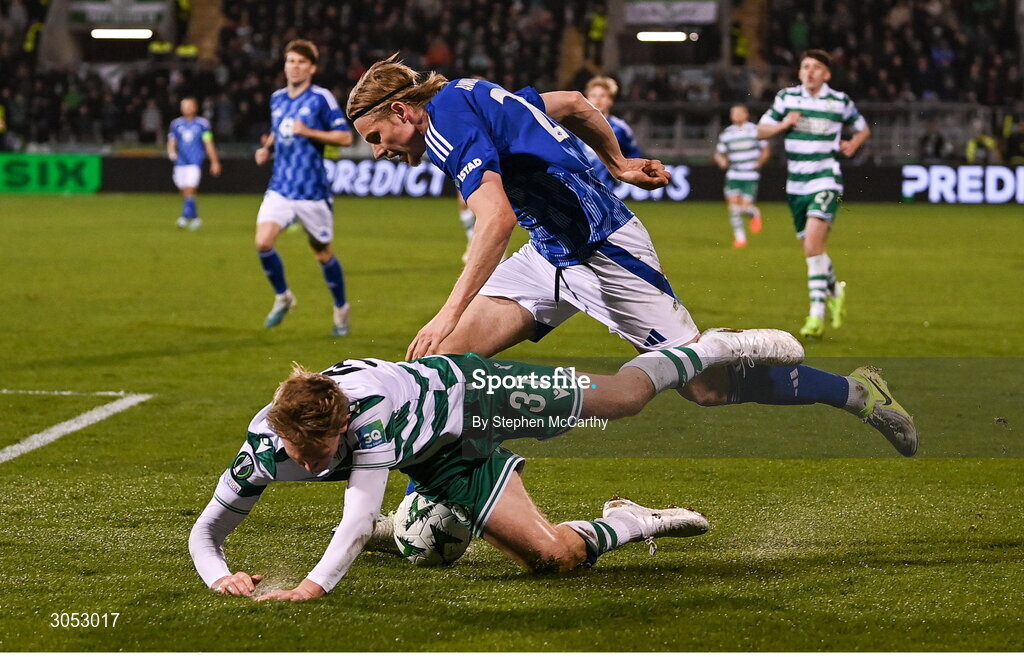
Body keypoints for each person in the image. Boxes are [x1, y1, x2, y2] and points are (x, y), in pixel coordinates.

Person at [344, 56, 906, 438]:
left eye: (376, 137)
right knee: (436, 368)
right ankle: (432, 508)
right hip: (548, 253)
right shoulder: (466, 94)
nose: (378, 151)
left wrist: (449, 310)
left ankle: (854, 392)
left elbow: (496, 220)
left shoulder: (443, 124)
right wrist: (617, 163)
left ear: (401, 110)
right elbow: (572, 103)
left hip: (603, 251)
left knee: (706, 389)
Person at [189, 344, 916, 600]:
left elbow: (353, 519)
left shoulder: (365, 421)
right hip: (429, 444)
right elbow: (207, 532)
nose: (313, 463)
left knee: (621, 399)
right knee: (548, 559)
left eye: (326, 449)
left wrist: (311, 588)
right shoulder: (265, 447)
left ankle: (712, 346)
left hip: (473, 396)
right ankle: (625, 520)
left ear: (342, 422)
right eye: (308, 454)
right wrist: (218, 574)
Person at [757, 49, 870, 340]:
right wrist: (784, 124)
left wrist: (853, 143)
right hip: (796, 186)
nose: (809, 71)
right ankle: (835, 291)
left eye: (816, 67)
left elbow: (863, 128)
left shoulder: (839, 101)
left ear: (827, 74)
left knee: (812, 246)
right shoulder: (787, 98)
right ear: (799, 72)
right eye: (805, 66)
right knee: (812, 248)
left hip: (826, 180)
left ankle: (816, 316)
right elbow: (761, 131)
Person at [254, 39, 354, 337]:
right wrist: (267, 149)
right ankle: (283, 296)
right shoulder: (277, 99)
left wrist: (308, 131)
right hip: (280, 187)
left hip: (312, 191)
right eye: (290, 61)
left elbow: (345, 138)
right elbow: (278, 129)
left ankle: (341, 309)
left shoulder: (321, 98)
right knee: (263, 243)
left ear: (312, 68)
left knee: (323, 254)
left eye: (300, 62)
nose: (294, 67)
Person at [713, 104, 769, 248]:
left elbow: (765, 149)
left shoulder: (755, 130)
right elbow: (719, 153)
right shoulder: (727, 133)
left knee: (744, 208)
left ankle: (754, 213)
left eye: (739, 113)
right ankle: (740, 239)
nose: (736, 115)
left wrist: (760, 163)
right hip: (734, 174)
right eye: (734, 113)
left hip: (750, 175)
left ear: (746, 114)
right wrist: (721, 160)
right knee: (734, 208)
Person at [167, 97, 222, 231]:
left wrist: (214, 161)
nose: (187, 108)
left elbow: (208, 143)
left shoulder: (202, 124)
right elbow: (172, 141)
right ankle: (196, 218)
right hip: (180, 162)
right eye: (184, 105)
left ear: (195, 107)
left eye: (189, 105)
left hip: (194, 162)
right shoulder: (176, 124)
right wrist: (171, 152)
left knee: (190, 189)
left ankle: (184, 218)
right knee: (185, 192)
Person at [581, 75, 642, 194]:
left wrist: (623, 171)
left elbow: (634, 153)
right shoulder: (574, 125)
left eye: (602, 96)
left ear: (610, 100)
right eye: (593, 96)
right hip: (577, 187)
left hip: (605, 190)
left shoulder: (620, 128)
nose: (598, 100)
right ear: (586, 99)